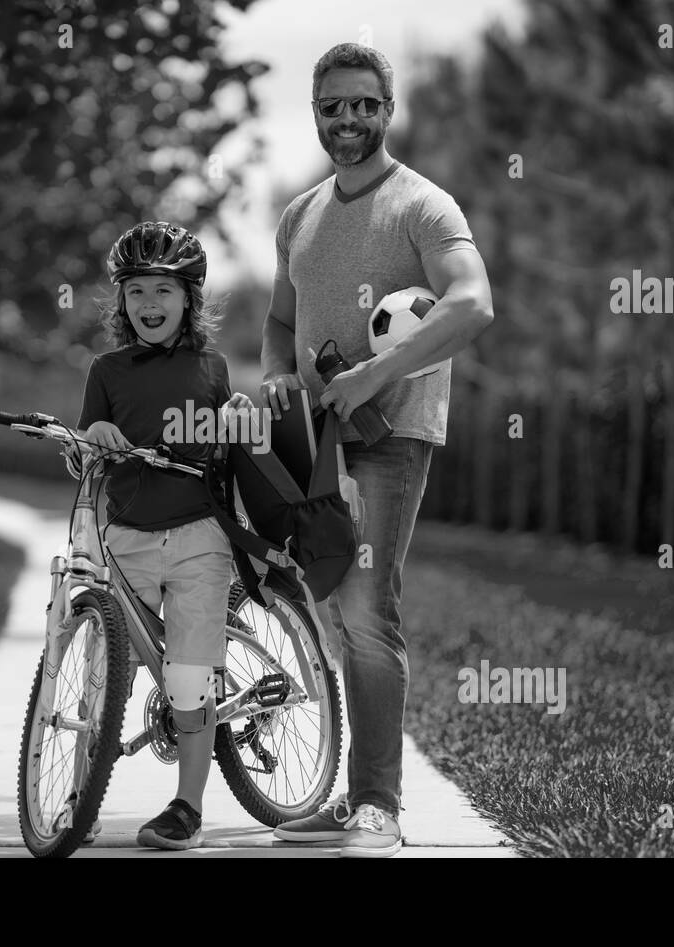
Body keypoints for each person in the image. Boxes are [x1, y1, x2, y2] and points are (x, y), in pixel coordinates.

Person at [259, 44, 495, 858]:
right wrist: (272, 379)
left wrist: (371, 375)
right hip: (312, 441)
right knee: (334, 606)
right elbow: (281, 322)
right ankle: (356, 795)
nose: (348, 119)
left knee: (367, 607)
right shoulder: (300, 214)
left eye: (365, 104)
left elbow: (472, 303)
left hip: (390, 434)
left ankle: (380, 806)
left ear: (388, 110)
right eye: (334, 106)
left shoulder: (423, 206)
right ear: (317, 112)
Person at [76, 220, 255, 850]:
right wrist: (92, 439)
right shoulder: (106, 370)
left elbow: (231, 453)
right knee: (104, 670)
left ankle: (187, 807)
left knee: (186, 677)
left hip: (199, 534)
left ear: (189, 300)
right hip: (125, 536)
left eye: (163, 291)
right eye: (137, 292)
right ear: (121, 302)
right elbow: (81, 455)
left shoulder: (213, 367)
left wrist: (236, 419)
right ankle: (80, 798)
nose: (149, 304)